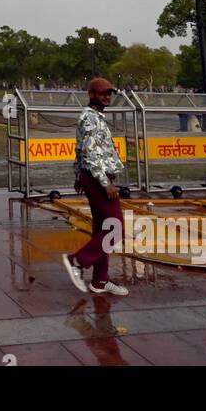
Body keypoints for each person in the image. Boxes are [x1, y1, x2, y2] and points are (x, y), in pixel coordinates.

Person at [60, 77, 129, 296]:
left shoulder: (96, 117)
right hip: (98, 178)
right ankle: (77, 261)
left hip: (92, 176)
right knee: (115, 228)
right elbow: (90, 153)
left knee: (104, 229)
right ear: (91, 94)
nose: (107, 97)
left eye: (109, 93)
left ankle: (100, 280)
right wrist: (104, 182)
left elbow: (80, 150)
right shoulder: (89, 118)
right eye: (102, 93)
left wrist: (79, 175)